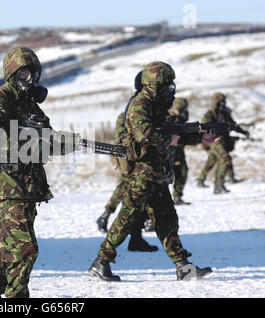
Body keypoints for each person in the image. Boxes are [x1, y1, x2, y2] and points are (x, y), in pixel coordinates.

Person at [88, 61, 213, 282]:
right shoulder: (140, 104)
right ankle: (101, 261)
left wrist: (200, 137)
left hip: (156, 173)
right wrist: (169, 139)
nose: (170, 92)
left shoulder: (158, 107)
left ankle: (182, 265)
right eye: (166, 87)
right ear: (153, 86)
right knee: (128, 216)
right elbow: (143, 133)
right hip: (142, 172)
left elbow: (175, 133)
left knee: (167, 219)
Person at [0, 47, 73, 298]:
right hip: (8, 185)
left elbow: (44, 140)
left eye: (31, 73)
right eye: (21, 74)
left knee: (9, 246)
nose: (27, 79)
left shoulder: (30, 102)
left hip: (28, 185)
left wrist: (61, 144)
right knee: (24, 249)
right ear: (11, 74)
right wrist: (37, 144)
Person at [96, 71, 158, 252]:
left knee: (133, 199)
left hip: (132, 159)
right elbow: (124, 139)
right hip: (131, 160)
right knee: (129, 198)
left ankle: (136, 238)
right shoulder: (135, 110)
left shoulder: (141, 108)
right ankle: (106, 219)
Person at [196, 93, 249, 194]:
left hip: (223, 140)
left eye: (224, 102)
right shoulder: (210, 114)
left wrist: (243, 132)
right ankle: (219, 185)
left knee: (212, 161)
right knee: (225, 160)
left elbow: (233, 125)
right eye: (221, 102)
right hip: (213, 141)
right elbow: (203, 129)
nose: (223, 104)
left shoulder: (225, 114)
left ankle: (203, 180)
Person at [169, 97, 191, 205]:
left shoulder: (183, 117)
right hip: (168, 152)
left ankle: (177, 196)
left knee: (183, 172)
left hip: (179, 150)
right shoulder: (168, 117)